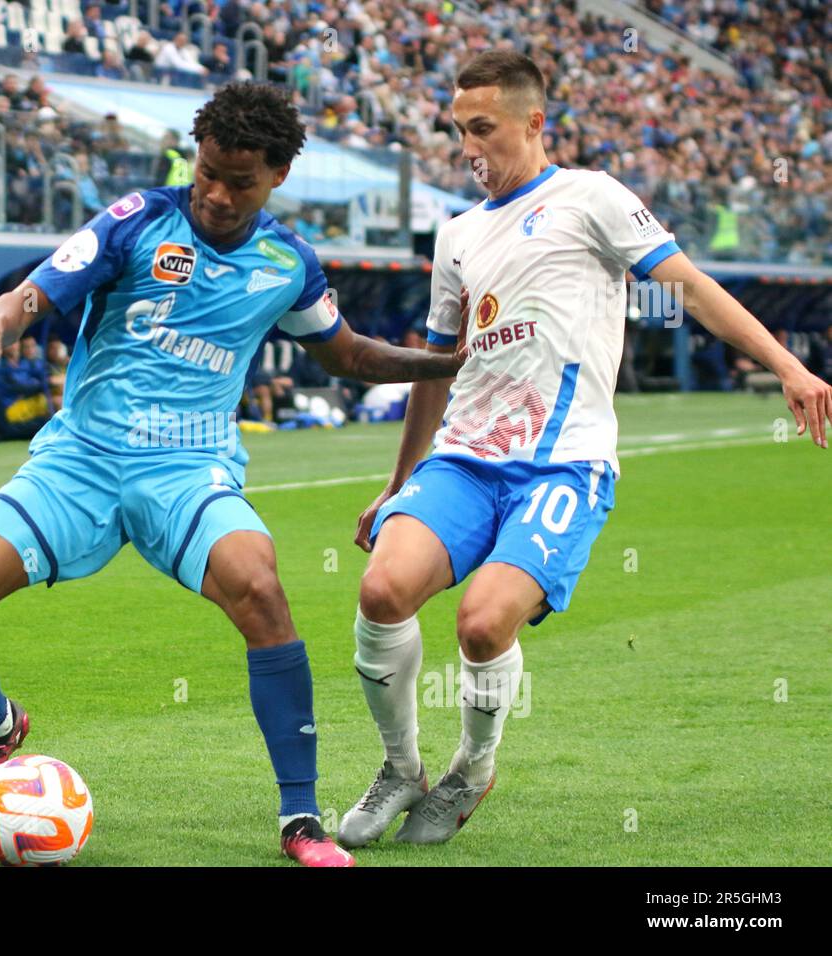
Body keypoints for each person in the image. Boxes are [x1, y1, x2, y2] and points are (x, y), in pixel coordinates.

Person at [0, 82, 464, 868]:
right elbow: (35, 293)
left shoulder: (287, 263)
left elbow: (348, 355)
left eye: (239, 181)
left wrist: (449, 363)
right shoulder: (136, 221)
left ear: (277, 176)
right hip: (82, 459)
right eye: (207, 171)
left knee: (261, 588)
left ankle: (301, 819)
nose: (216, 193)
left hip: (188, 469)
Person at [339, 51, 832, 849]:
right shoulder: (457, 233)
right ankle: (401, 768)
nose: (468, 147)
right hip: (463, 458)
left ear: (534, 122)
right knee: (382, 589)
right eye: (459, 130)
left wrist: (787, 365)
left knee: (481, 624)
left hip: (564, 463)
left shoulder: (592, 198)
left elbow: (689, 286)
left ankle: (472, 767)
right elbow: (436, 365)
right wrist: (397, 483)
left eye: (483, 129)